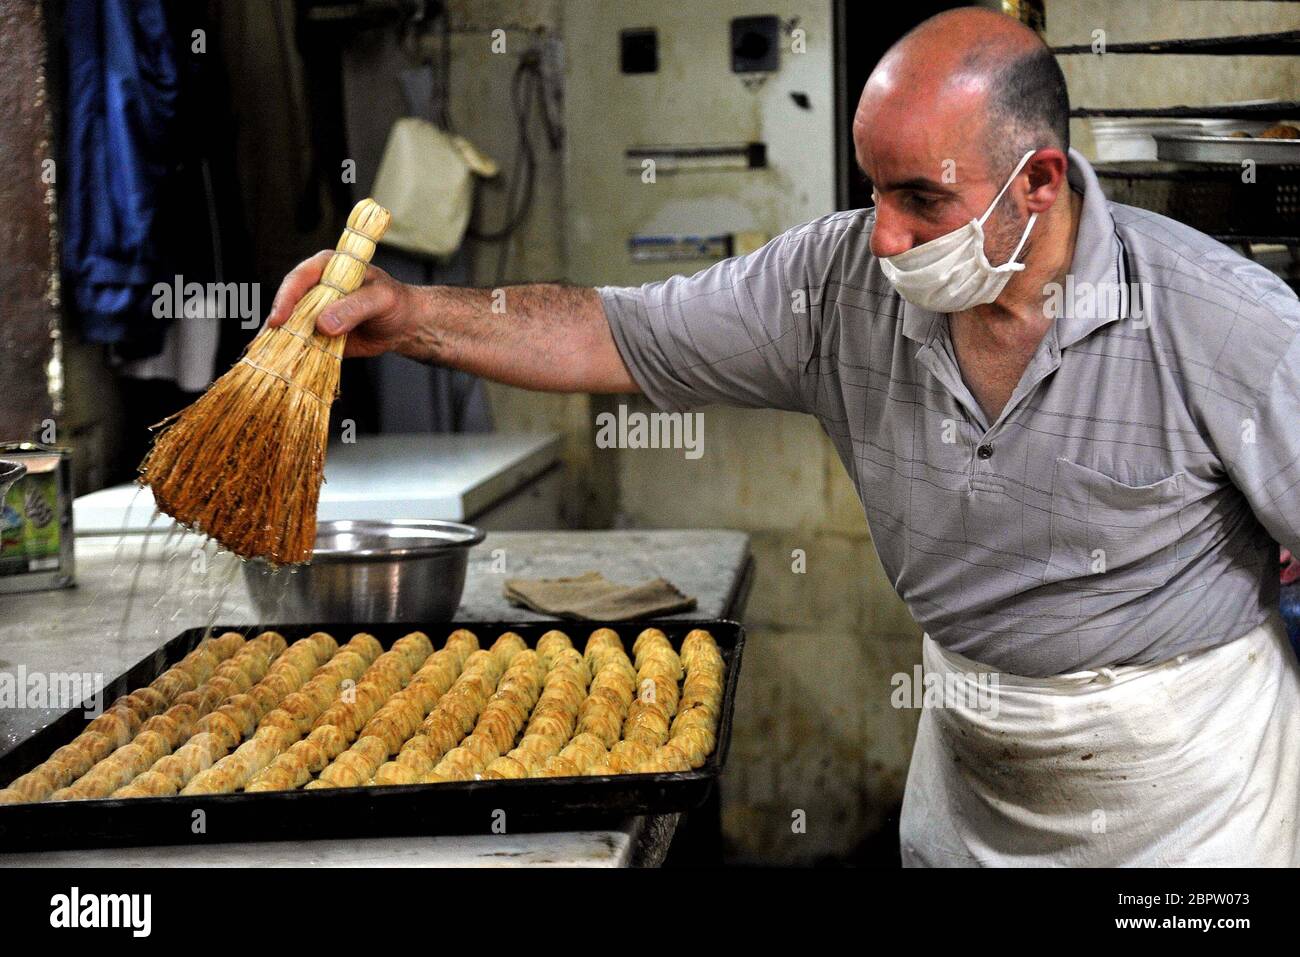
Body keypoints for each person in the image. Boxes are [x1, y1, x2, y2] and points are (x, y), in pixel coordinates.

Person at [269, 8, 1300, 865]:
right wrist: (410, 319)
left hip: (1189, 806)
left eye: (920, 200)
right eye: (871, 190)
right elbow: (614, 332)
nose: (883, 234)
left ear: (1036, 183)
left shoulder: (1226, 325)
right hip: (975, 781)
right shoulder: (834, 284)